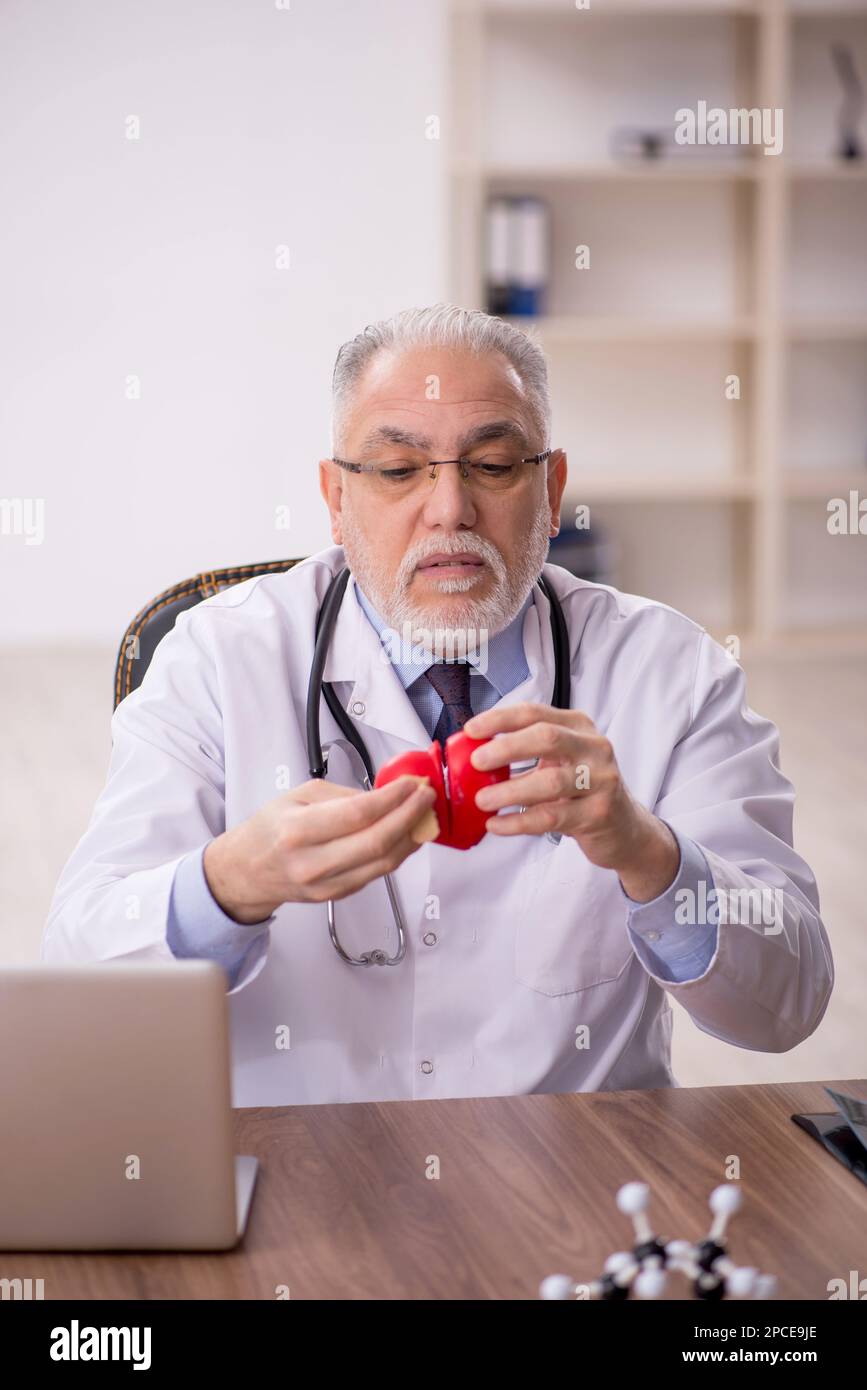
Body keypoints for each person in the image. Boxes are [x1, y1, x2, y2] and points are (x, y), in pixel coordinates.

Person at [43, 304, 833, 1107]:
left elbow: (787, 1004)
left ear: (551, 490)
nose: (450, 508)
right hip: (300, 1181)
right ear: (335, 500)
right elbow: (79, 985)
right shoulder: (219, 659)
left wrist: (644, 851)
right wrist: (231, 882)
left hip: (577, 1183)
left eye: (491, 465)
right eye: (397, 470)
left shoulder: (668, 670)